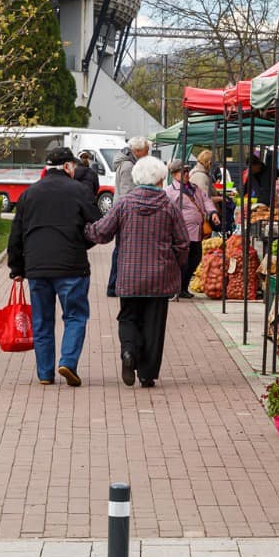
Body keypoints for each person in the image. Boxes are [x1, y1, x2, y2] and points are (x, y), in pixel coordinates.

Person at [86, 156, 188, 386]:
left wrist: (83, 228)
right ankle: (147, 374)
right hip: (161, 276)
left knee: (128, 316)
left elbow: (102, 233)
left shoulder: (124, 204)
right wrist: (175, 264)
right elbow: (183, 242)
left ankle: (129, 351)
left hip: (130, 274)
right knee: (154, 324)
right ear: (160, 179)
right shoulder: (169, 206)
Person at [7, 146, 100, 386]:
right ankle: (67, 361)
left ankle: (45, 373)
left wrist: (17, 268)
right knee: (75, 316)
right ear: (67, 166)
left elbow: (16, 233)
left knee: (42, 320)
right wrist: (82, 245)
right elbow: (98, 225)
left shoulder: (29, 194)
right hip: (72, 265)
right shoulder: (79, 191)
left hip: (37, 267)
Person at [165, 159, 216, 298]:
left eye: (187, 171)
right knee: (184, 261)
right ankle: (179, 288)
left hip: (197, 231)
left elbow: (206, 200)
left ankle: (184, 287)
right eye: (183, 172)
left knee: (195, 259)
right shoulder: (170, 191)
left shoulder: (194, 188)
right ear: (174, 174)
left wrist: (212, 212)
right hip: (182, 232)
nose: (186, 174)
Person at [106, 137, 151, 296]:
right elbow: (127, 193)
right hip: (126, 215)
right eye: (146, 151)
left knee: (120, 249)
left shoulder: (127, 163)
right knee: (120, 250)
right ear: (137, 151)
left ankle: (114, 285)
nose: (147, 154)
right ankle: (113, 286)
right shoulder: (128, 166)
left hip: (123, 213)